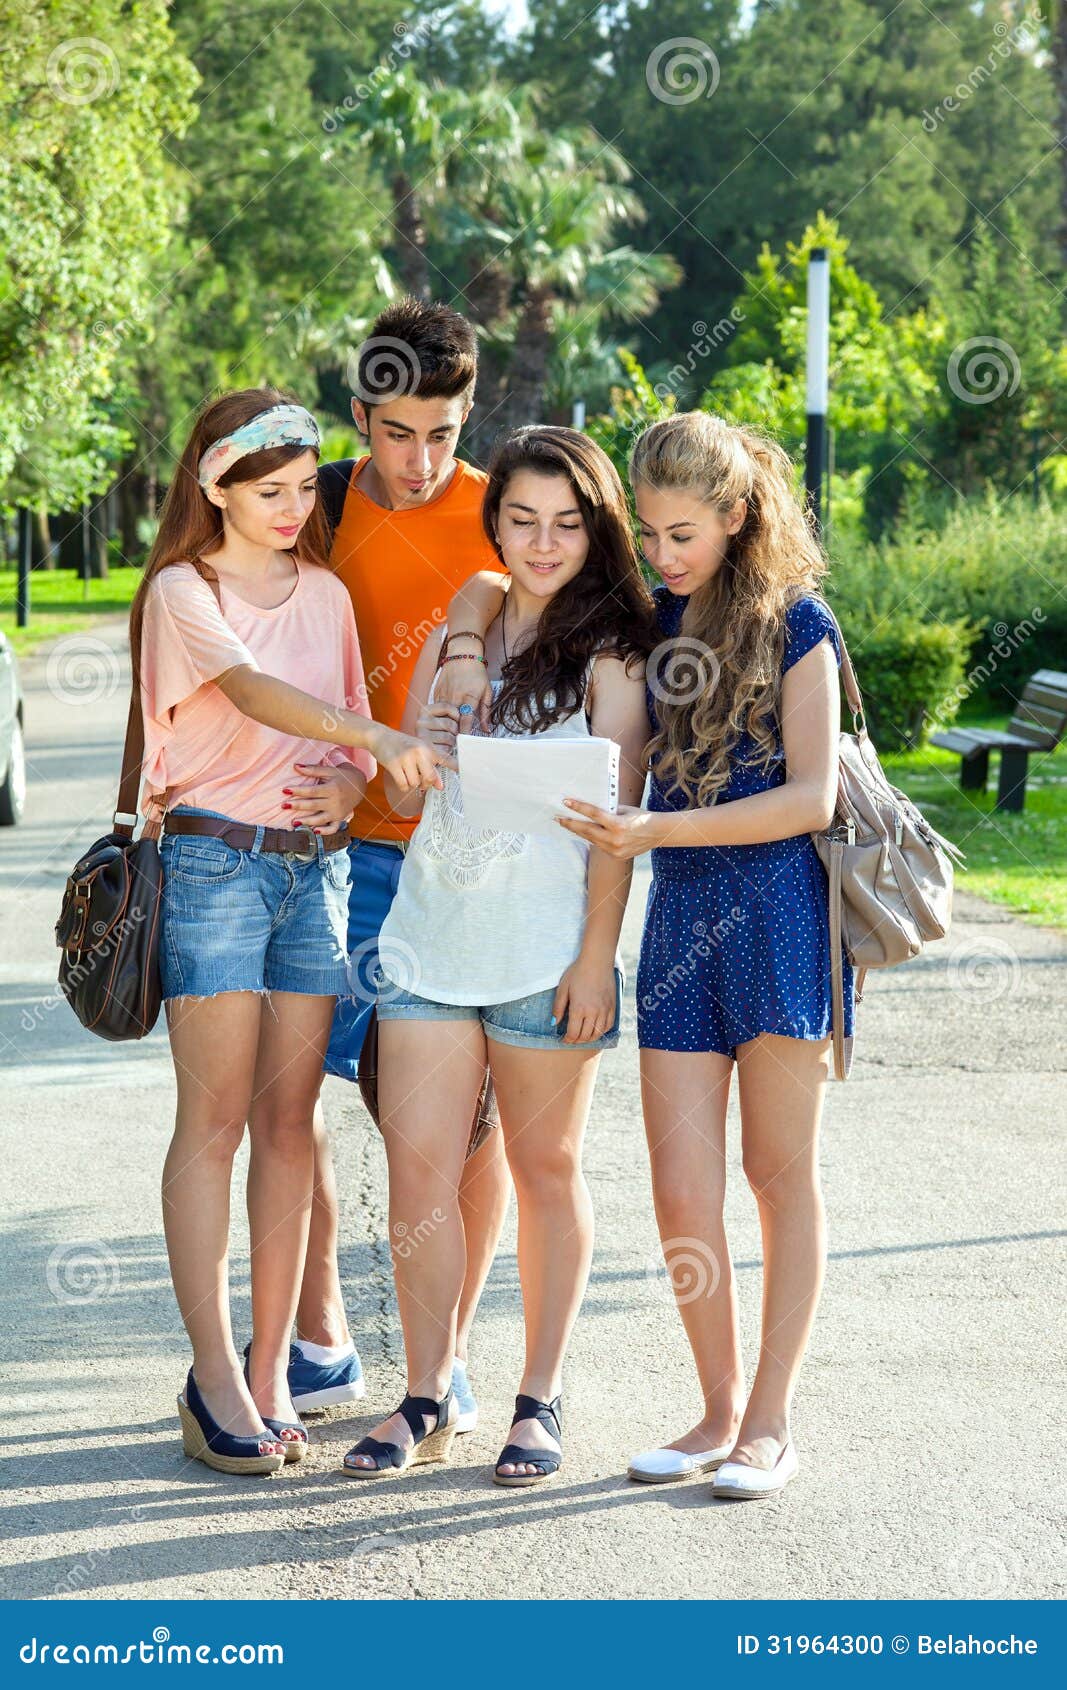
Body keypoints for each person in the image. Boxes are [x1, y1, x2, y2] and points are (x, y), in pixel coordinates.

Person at [447, 411, 850, 1501]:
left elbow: (810, 798)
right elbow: (498, 588)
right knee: (681, 1196)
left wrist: (657, 830)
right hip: (677, 921)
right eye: (652, 535)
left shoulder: (798, 624)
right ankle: (714, 1408)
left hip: (777, 912)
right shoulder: (646, 616)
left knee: (776, 1177)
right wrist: (463, 620)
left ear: (734, 515)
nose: (663, 556)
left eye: (682, 535)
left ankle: (768, 1423)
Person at [131, 388, 445, 1476]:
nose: (290, 508)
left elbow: (344, 727)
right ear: (212, 486)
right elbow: (256, 693)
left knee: (290, 1126)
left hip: (313, 877)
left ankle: (270, 1377)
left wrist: (346, 778)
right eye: (267, 491)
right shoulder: (182, 588)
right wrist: (369, 735)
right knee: (210, 1126)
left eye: (305, 487)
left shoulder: (322, 592)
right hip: (212, 865)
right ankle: (212, 1375)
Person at [339, 426, 657, 1485]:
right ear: (495, 523)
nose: (541, 540)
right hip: (429, 940)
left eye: (566, 522)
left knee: (547, 1169)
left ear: (597, 527)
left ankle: (537, 1396)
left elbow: (614, 819)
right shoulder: (458, 630)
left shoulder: (616, 653)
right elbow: (393, 793)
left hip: (542, 950)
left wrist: (595, 959)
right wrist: (411, 766)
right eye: (520, 518)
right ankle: (426, 1390)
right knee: (418, 1172)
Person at [275, 300, 514, 1430]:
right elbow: (259, 653)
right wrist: (317, 767)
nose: (421, 460)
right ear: (359, 416)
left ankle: (448, 1351)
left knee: (469, 1120)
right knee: (294, 1096)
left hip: (474, 866)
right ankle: (321, 1338)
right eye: (397, 431)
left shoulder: (505, 514)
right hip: (338, 855)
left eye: (444, 431)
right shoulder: (310, 509)